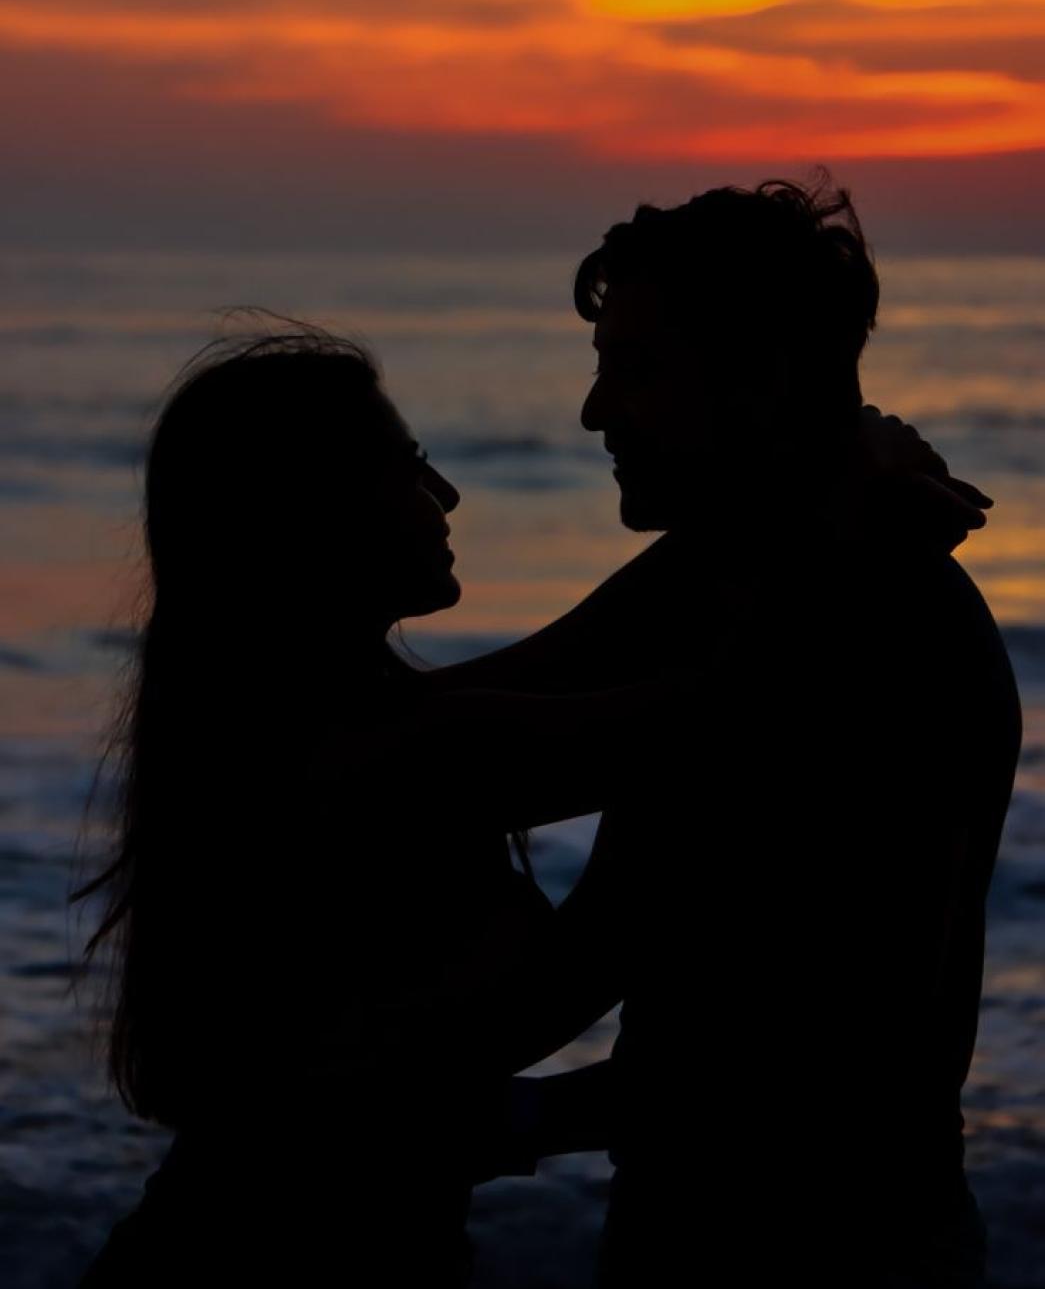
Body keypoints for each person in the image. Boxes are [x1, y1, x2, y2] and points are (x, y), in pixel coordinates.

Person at [429, 177, 1021, 1287]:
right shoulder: (732, 592)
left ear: (760, 382)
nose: (595, 412)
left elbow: (848, 1050)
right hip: (698, 1227)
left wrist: (489, 1116)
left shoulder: (884, 629)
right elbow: (603, 921)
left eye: (637, 370)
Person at [70, 330, 671, 1287]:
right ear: (316, 511)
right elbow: (722, 718)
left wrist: (802, 501)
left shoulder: (287, 721)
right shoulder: (390, 748)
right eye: (410, 466)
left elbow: (598, 643)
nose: (447, 497)